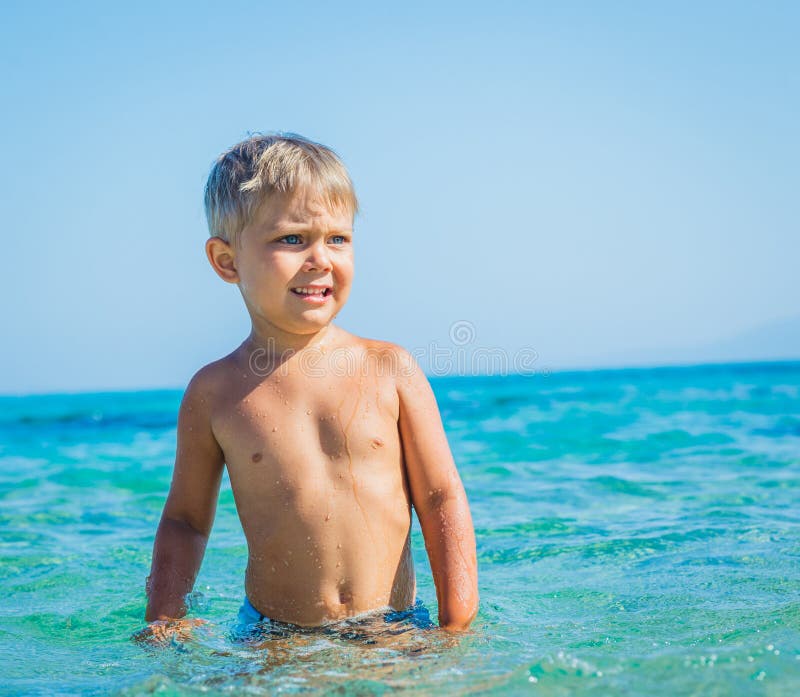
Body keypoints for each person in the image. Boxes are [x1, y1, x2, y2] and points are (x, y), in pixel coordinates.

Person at [143, 133, 478, 638]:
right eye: (292, 239)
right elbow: (186, 522)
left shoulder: (390, 369)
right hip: (272, 634)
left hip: (392, 628)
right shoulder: (215, 392)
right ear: (226, 261)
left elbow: (440, 498)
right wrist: (164, 618)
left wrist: (457, 622)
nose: (320, 258)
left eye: (338, 239)